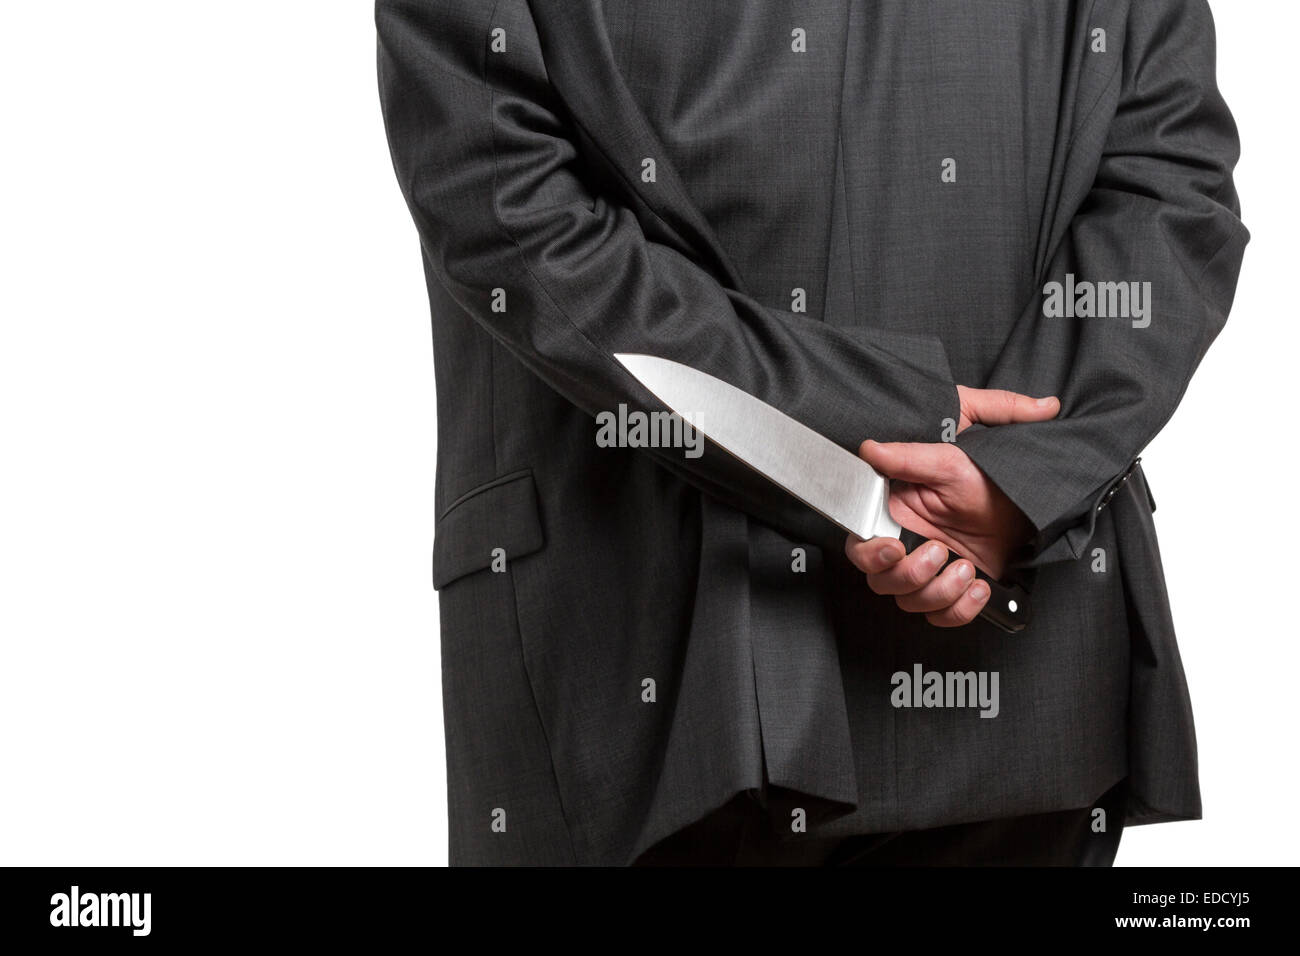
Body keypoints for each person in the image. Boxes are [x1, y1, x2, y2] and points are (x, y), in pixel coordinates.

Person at [376, 0, 1247, 865]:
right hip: (1008, 639)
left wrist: (939, 451)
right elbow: (1173, 191)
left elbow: (509, 213)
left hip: (656, 651)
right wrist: (1008, 476)